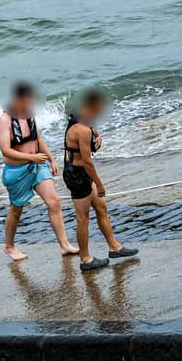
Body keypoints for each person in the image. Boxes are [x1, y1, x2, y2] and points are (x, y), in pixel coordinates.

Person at [0, 83, 79, 261]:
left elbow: (37, 139)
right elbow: (5, 150)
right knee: (16, 209)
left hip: (38, 166)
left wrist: (51, 158)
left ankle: (65, 245)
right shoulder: (5, 119)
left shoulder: (29, 113)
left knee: (54, 201)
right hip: (17, 170)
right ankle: (9, 247)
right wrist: (31, 158)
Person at [62, 89, 138, 271]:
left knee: (101, 208)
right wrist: (100, 183)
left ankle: (115, 247)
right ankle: (85, 259)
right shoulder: (80, 129)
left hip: (82, 172)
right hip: (77, 175)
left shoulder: (81, 121)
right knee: (83, 218)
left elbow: (89, 143)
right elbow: (87, 161)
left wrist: (96, 137)